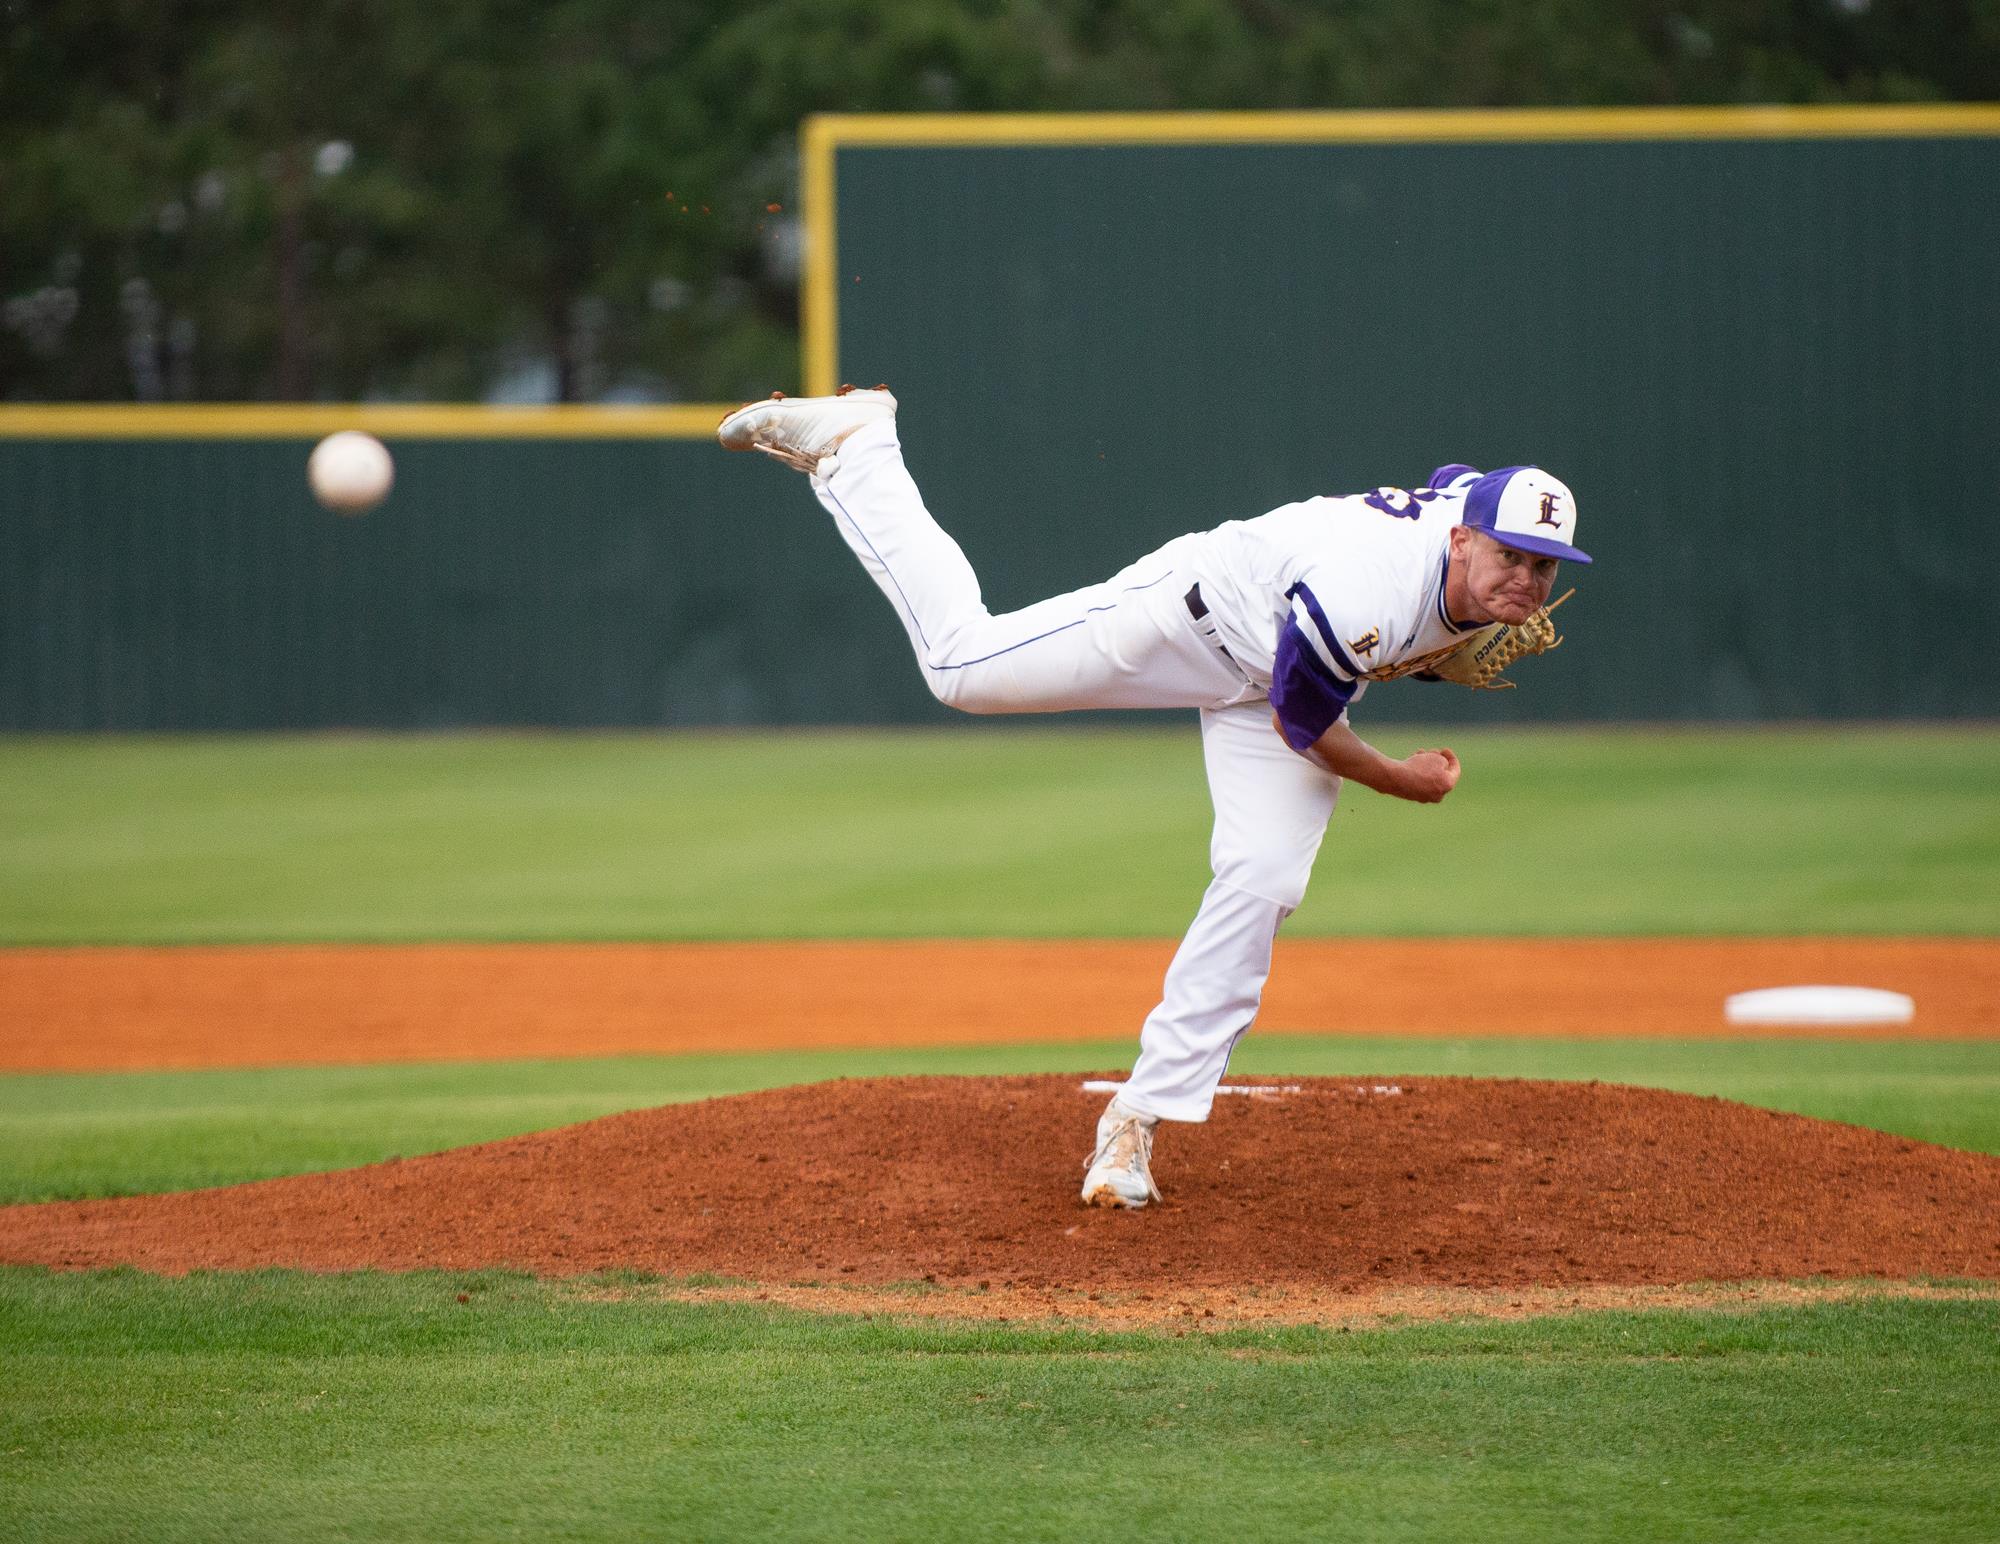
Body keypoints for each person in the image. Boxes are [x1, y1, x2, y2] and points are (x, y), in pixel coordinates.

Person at [719, 386, 1591, 1208]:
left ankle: (1133, 1125)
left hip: (1279, 664)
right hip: (1190, 618)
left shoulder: (1469, 519)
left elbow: (1451, 484)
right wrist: (1406, 779)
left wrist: (1449, 628)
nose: (1525, 579)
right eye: (1508, 556)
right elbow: (1304, 721)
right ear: (1461, 543)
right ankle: (861, 447)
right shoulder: (1366, 589)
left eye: (1543, 567)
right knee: (961, 668)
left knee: (1263, 878)